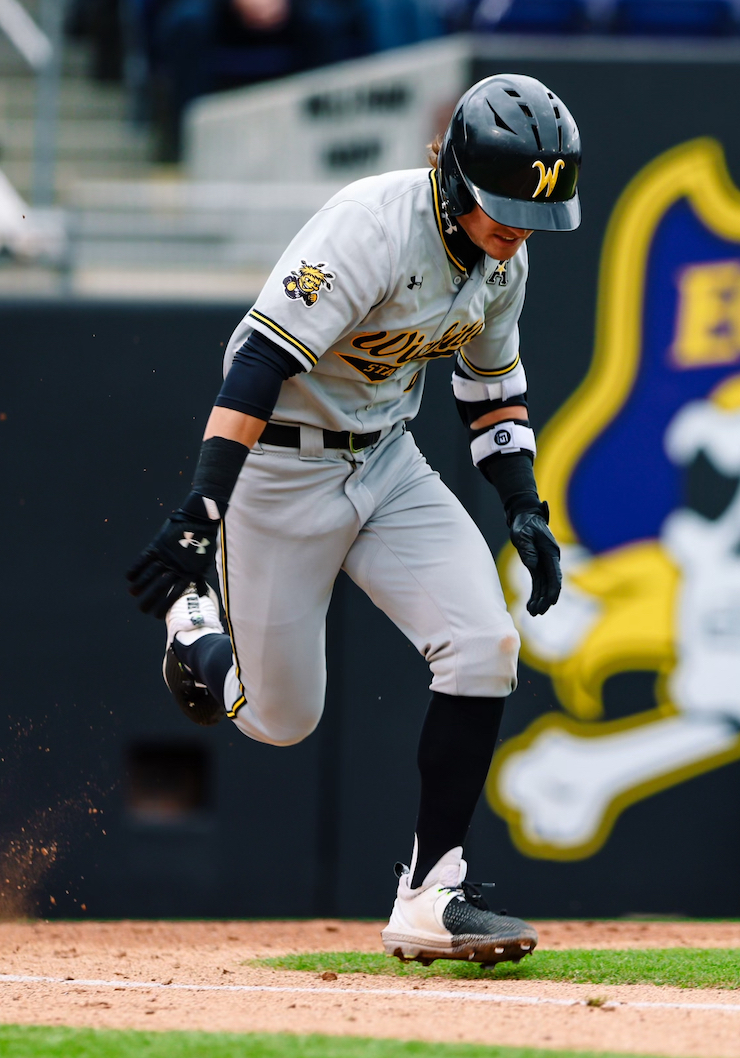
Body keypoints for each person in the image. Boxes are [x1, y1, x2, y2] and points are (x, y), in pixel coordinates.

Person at [124, 75, 576, 965]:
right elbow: (257, 364)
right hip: (280, 469)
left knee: (484, 645)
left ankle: (430, 894)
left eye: (534, 213)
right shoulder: (371, 225)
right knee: (279, 718)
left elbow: (491, 390)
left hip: (386, 458)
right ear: (455, 177)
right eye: (506, 206)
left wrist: (523, 503)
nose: (519, 228)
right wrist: (203, 509)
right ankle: (197, 636)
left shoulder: (504, 259)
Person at [149, 0, 352, 160]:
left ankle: (324, 144)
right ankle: (189, 145)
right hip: (217, 3)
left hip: (292, 2)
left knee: (324, 17)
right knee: (188, 18)